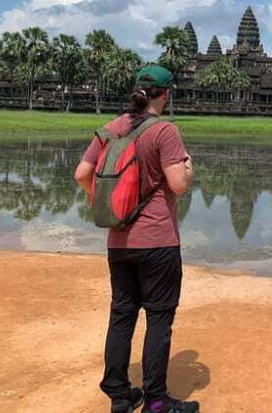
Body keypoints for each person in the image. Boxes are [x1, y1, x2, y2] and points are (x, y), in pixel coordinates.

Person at [74, 64, 198, 413]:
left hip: (118, 241)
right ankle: (157, 401)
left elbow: (82, 173)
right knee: (158, 317)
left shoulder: (112, 128)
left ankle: (118, 394)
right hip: (157, 240)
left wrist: (103, 202)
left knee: (122, 314)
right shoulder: (165, 131)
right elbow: (178, 185)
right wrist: (188, 165)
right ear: (166, 94)